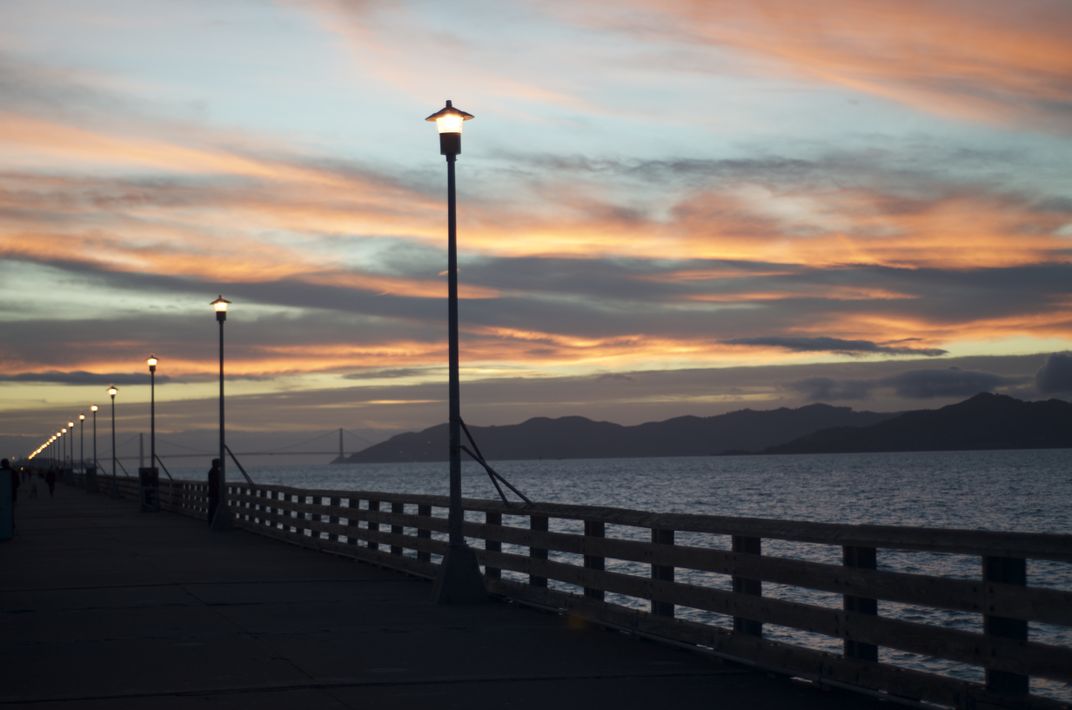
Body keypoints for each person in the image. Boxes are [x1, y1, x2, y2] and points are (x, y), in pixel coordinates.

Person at [207, 459, 221, 525]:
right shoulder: (214, 472)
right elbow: (215, 483)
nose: (219, 465)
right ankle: (213, 521)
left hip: (212, 492)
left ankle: (211, 521)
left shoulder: (211, 471)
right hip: (214, 493)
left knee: (212, 508)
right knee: (213, 508)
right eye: (218, 463)